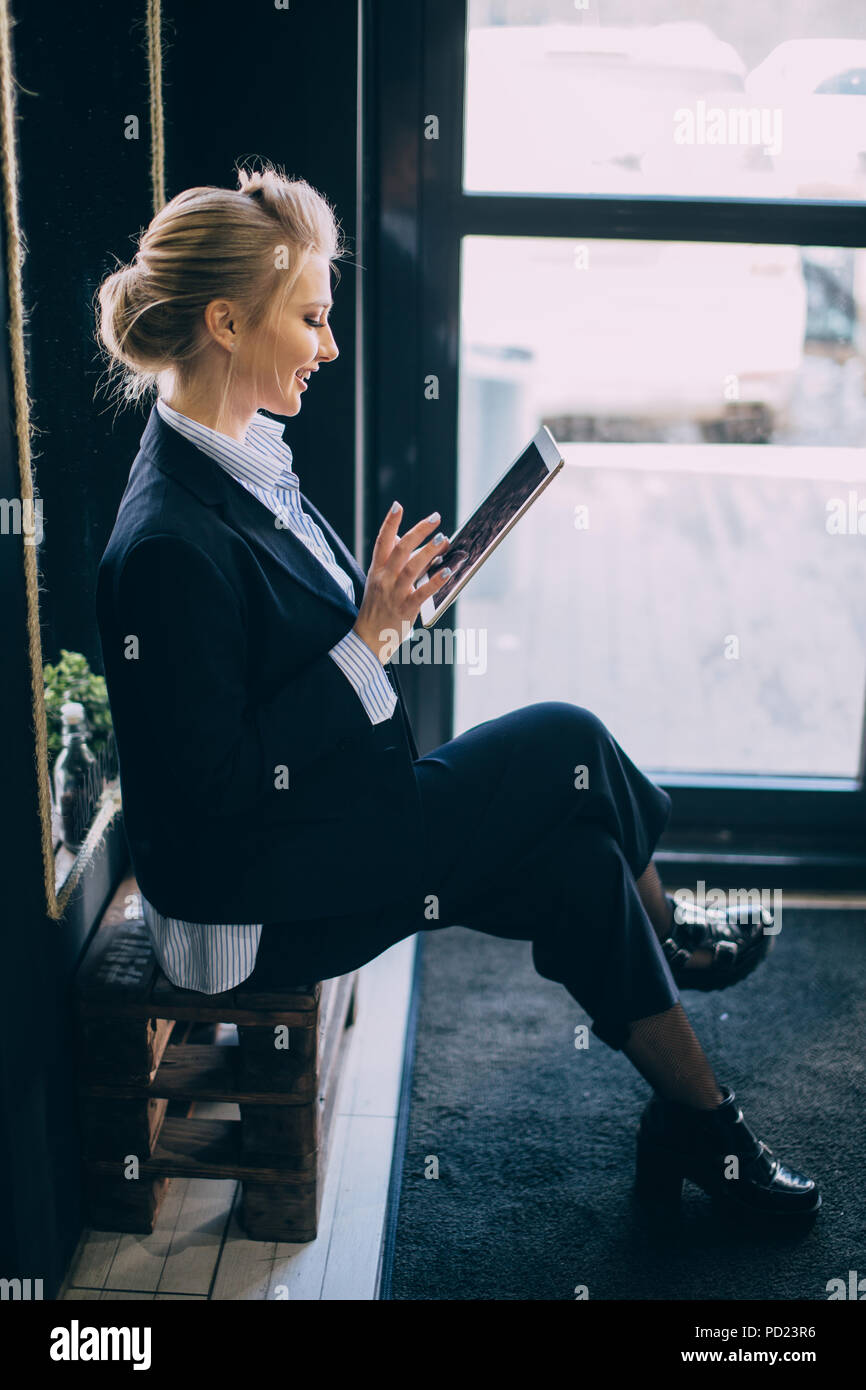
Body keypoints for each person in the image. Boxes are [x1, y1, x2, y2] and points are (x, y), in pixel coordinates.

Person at [94, 161, 819, 1224]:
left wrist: (384, 608)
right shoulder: (167, 543)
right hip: (243, 901)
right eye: (310, 318)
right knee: (562, 741)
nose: (329, 346)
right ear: (226, 322)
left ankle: (698, 1125)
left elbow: (288, 658)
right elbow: (216, 794)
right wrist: (369, 635)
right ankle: (675, 950)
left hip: (325, 819)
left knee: (578, 865)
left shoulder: (238, 451)